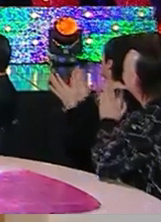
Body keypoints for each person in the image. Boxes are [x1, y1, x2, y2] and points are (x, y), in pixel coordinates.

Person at [92, 34, 161, 204]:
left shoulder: (145, 122)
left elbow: (104, 165)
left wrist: (108, 122)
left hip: (157, 208)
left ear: (135, 78)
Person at [47, 31, 143, 173]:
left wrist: (75, 109)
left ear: (109, 64)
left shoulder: (98, 107)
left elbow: (79, 154)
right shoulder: (146, 103)